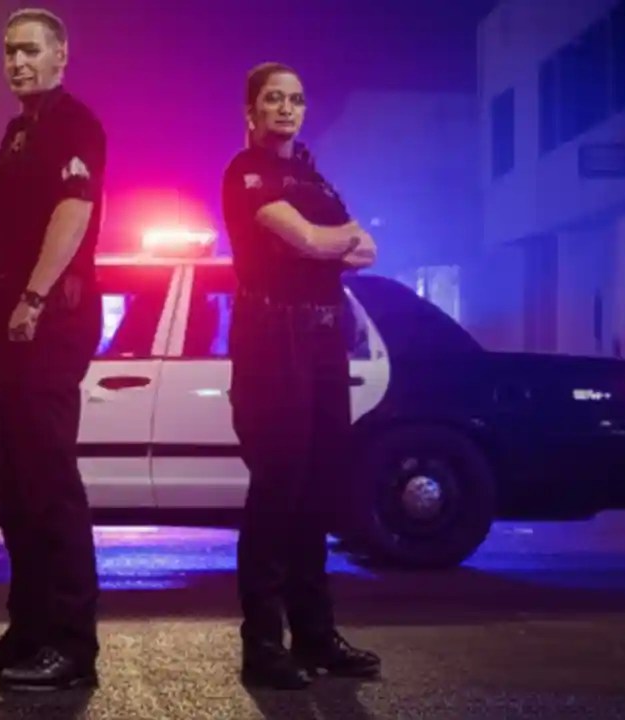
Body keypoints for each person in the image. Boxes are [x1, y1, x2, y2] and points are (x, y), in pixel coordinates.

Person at [0, 7, 105, 693]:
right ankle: (29, 630)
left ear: (60, 56)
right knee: (14, 485)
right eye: (9, 52)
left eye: (30, 50)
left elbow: (73, 213)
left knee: (49, 483)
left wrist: (35, 297)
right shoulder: (19, 131)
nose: (17, 62)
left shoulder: (75, 123)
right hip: (10, 316)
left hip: (50, 319)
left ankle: (72, 647)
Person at [221, 62, 383, 690]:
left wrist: (324, 238)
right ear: (251, 110)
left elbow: (366, 249)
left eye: (295, 99)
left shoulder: (314, 176)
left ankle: (316, 637)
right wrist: (328, 239)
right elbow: (317, 242)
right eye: (273, 98)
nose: (286, 108)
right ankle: (263, 646)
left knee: (319, 488)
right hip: (272, 338)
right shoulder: (246, 172)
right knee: (277, 490)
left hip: (323, 340)